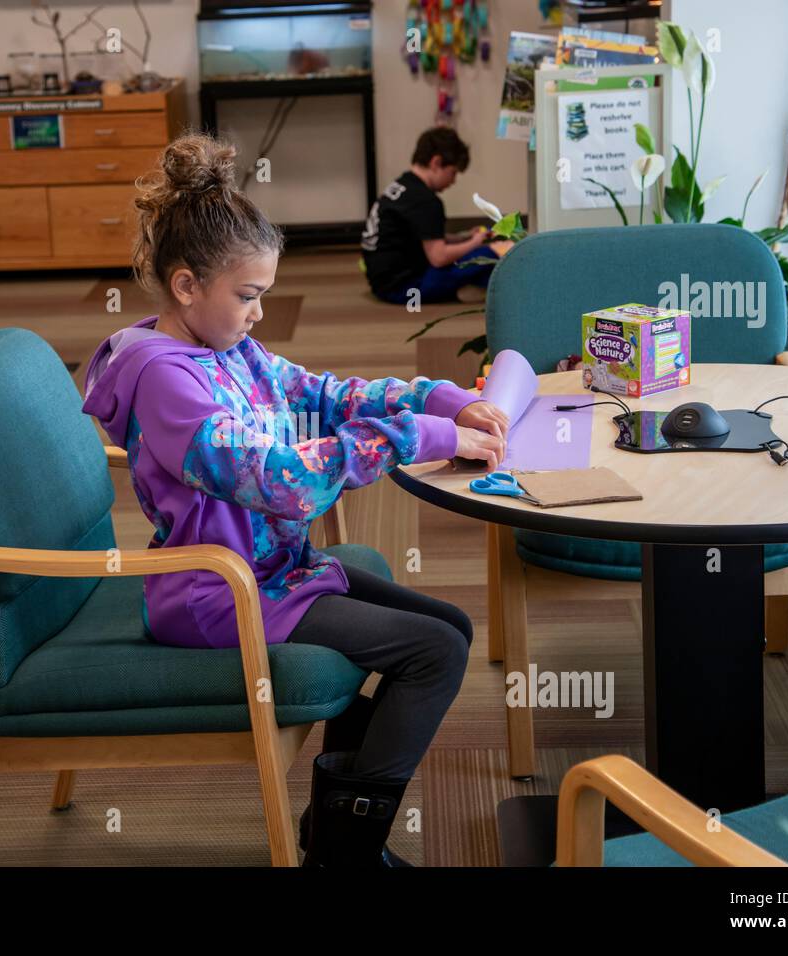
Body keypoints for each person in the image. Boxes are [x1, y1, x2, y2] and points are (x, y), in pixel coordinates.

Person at [81, 132, 508, 868]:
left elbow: (320, 395)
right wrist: (416, 435)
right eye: (247, 297)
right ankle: (345, 851)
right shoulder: (168, 381)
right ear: (187, 287)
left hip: (272, 570)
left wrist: (434, 394)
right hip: (221, 591)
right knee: (434, 653)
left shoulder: (226, 348)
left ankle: (332, 831)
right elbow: (282, 479)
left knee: (448, 626)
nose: (257, 315)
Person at [361, 126, 513, 305]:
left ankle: (470, 289)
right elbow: (439, 258)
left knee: (474, 257)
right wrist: (475, 242)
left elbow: (421, 235)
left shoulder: (402, 186)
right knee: (491, 253)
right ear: (436, 163)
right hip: (408, 291)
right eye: (453, 172)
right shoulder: (426, 201)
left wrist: (462, 237)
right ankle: (475, 288)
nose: (453, 181)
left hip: (381, 285)